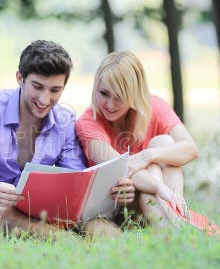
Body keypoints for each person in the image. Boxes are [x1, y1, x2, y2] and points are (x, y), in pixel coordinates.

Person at [0, 40, 131, 239]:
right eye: (37, 87)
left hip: (42, 212)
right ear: (20, 78)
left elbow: (75, 176)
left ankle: (111, 246)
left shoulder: (65, 120)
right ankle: (63, 239)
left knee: (97, 224)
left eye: (55, 90)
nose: (44, 99)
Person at [75, 50, 200, 228]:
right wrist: (159, 187)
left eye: (119, 97)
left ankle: (172, 219)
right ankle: (175, 224)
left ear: (135, 93)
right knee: (152, 168)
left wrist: (148, 155)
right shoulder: (88, 122)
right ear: (95, 87)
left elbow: (190, 149)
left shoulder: (154, 106)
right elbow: (119, 168)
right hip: (117, 206)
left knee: (163, 143)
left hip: (153, 201)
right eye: (104, 93)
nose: (109, 105)